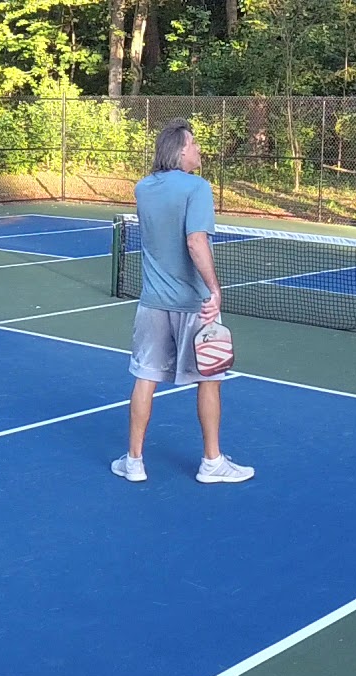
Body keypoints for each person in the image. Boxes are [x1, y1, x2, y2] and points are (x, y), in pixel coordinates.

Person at [111, 118, 255, 485]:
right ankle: (211, 463)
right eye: (194, 145)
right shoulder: (198, 188)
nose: (199, 150)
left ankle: (134, 461)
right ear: (179, 150)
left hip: (152, 303)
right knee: (211, 380)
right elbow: (195, 242)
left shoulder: (142, 188)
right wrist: (215, 290)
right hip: (193, 304)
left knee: (145, 378)